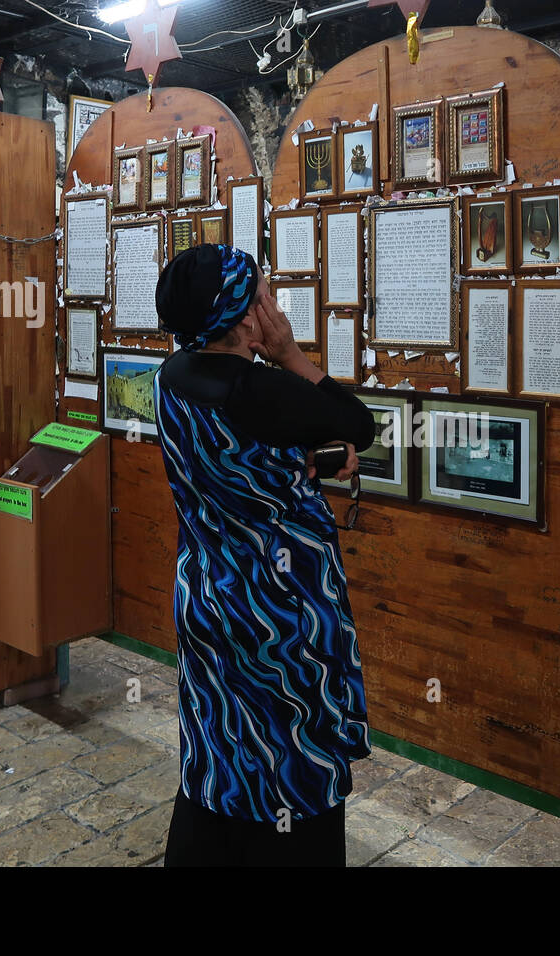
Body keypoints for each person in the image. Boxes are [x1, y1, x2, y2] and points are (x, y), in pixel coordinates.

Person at [153, 244, 376, 866]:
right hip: (281, 617)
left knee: (218, 748)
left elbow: (257, 460)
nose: (272, 308)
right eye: (263, 296)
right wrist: (290, 354)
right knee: (293, 763)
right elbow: (358, 425)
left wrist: (306, 456)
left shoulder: (172, 379)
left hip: (207, 595)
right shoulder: (262, 391)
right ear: (243, 314)